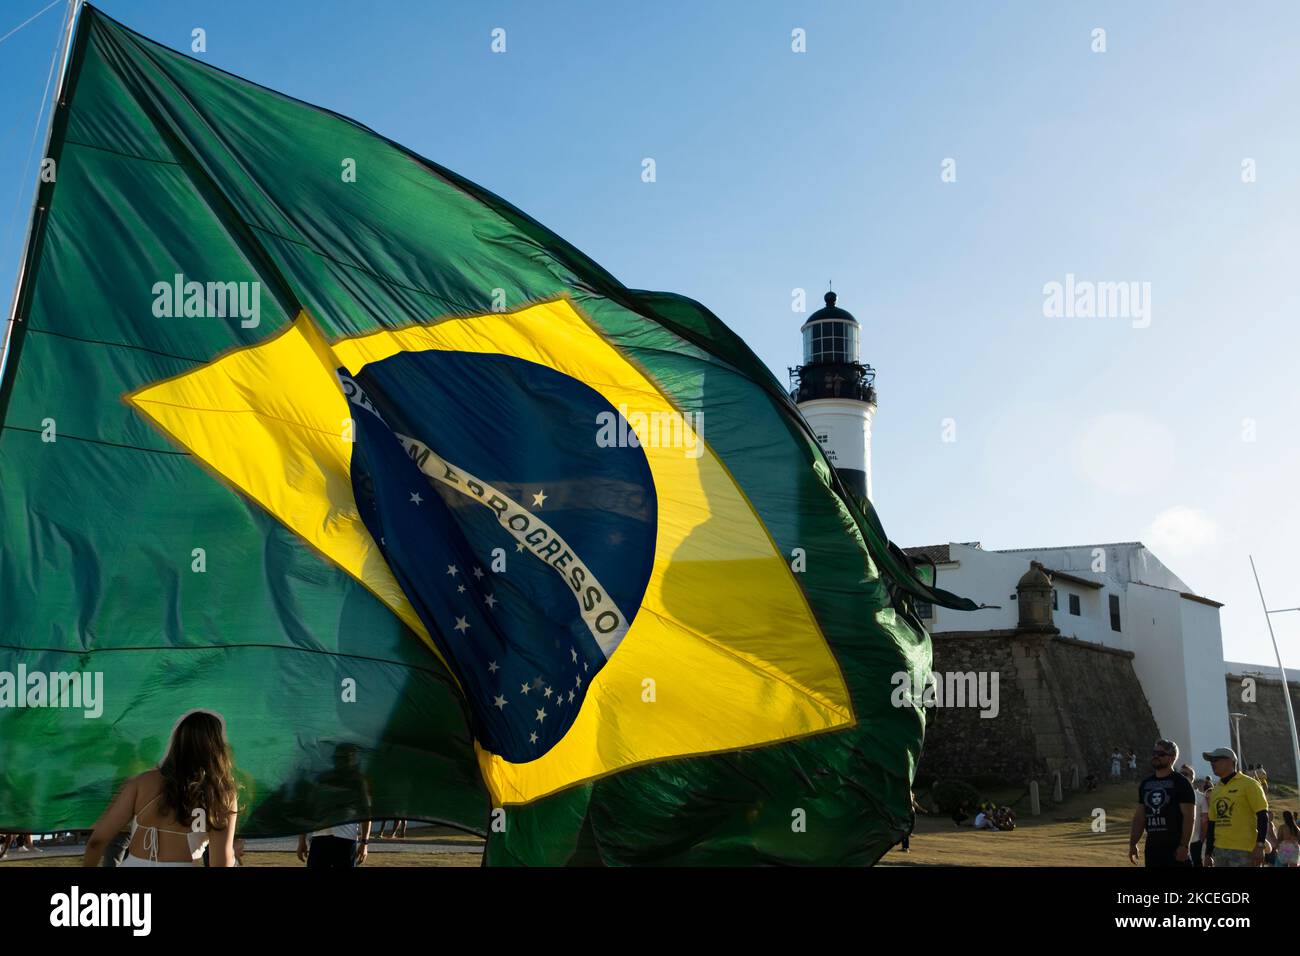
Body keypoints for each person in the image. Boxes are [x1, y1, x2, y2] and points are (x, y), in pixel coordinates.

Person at [83, 710, 240, 867]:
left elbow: (97, 841)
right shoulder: (220, 794)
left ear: (177, 743)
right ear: (218, 747)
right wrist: (233, 856)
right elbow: (221, 863)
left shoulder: (141, 782)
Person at [1129, 739, 1195, 867]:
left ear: (1172, 758)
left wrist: (1184, 846)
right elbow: (1140, 818)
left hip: (1175, 849)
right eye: (1154, 753)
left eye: (1161, 754)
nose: (1156, 756)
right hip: (1153, 849)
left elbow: (1189, 817)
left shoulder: (1181, 783)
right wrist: (1133, 843)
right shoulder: (1146, 783)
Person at [1202, 747, 1268, 868]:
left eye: (1216, 759)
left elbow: (1263, 815)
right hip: (1220, 851)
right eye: (1211, 760)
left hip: (1244, 851)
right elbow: (1212, 823)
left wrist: (1260, 845)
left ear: (1230, 761)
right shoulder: (1216, 789)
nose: (1212, 763)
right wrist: (1208, 854)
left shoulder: (1250, 784)